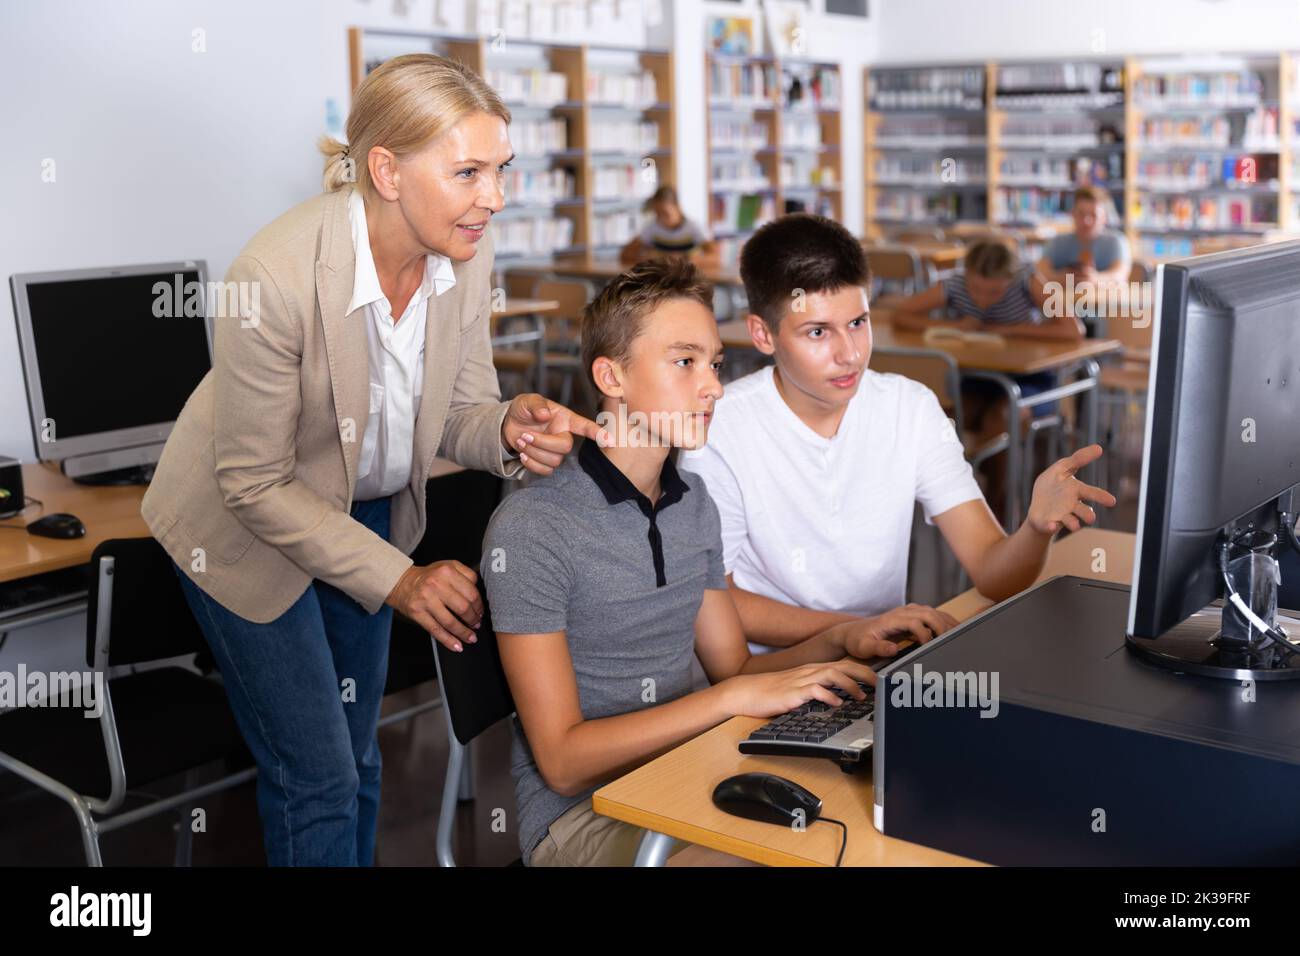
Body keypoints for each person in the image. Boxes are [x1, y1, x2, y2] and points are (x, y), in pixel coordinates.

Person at [140, 54, 605, 866]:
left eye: (500, 171)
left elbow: (458, 413)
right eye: (467, 172)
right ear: (386, 169)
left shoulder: (465, 255)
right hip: (243, 530)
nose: (493, 198)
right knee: (315, 771)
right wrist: (403, 579)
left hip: (365, 512)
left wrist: (508, 428)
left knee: (355, 758)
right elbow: (251, 483)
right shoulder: (276, 278)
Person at [482, 258, 903, 866]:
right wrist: (729, 703)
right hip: (586, 818)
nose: (711, 386)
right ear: (611, 376)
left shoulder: (692, 502)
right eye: (684, 362)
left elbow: (730, 665)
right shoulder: (535, 527)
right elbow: (565, 763)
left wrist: (841, 638)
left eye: (714, 364)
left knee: (868, 824)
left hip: (698, 767)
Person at [679, 215, 1115, 653]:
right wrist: (852, 630)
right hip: (780, 678)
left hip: (882, 662)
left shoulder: (911, 407)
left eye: (858, 323)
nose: (849, 354)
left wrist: (1036, 529)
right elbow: (719, 603)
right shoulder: (719, 430)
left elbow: (993, 571)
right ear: (762, 334)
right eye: (817, 332)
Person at [1036, 184, 1132, 290]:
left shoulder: (1116, 241)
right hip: (1064, 304)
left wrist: (1095, 279)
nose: (1086, 221)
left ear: (1104, 218)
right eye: (1081, 214)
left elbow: (1121, 275)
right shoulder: (1057, 242)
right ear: (1072, 214)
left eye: (1093, 215)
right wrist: (1062, 278)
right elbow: (1039, 273)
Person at [619, 185, 720, 265]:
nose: (661, 219)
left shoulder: (694, 228)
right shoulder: (652, 228)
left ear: (677, 207)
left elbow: (715, 258)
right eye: (657, 213)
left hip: (687, 279)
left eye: (665, 213)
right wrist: (646, 258)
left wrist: (685, 259)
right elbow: (625, 255)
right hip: (661, 281)